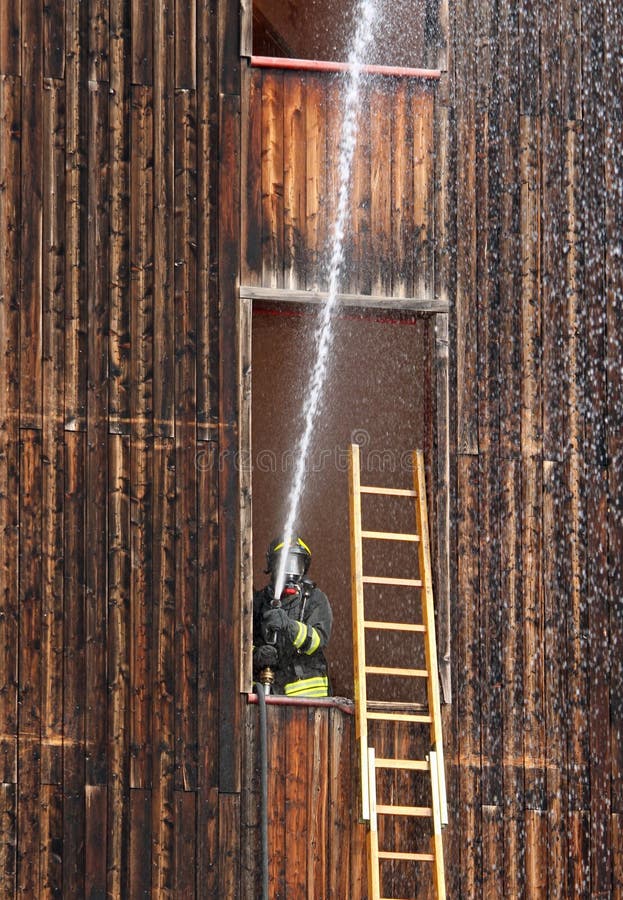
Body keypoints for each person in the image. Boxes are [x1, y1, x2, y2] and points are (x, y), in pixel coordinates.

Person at [253, 536, 333, 697]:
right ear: (272, 566)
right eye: (284, 564)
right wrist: (257, 654)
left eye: (297, 564)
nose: (290, 571)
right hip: (265, 695)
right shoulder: (258, 602)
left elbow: (318, 640)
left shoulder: (314, 599)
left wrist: (289, 626)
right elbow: (238, 644)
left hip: (309, 705)